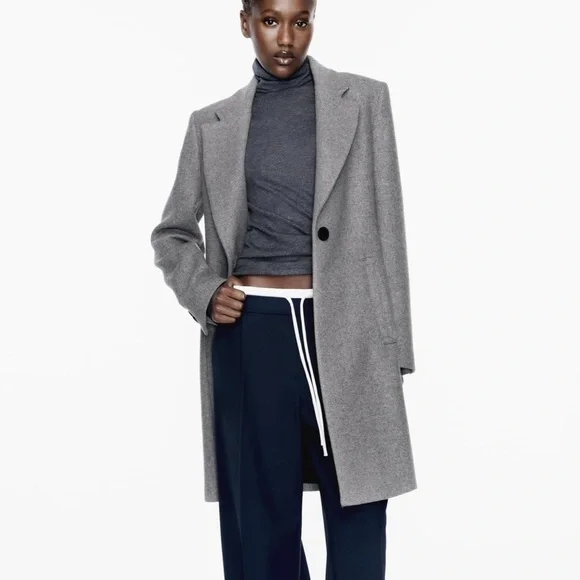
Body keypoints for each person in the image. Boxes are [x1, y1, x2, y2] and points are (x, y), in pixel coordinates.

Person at [150, 0, 417, 578]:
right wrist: (204, 292)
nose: (286, 38)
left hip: (347, 331)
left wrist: (395, 351)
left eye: (301, 21)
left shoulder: (364, 100)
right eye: (271, 21)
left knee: (360, 527)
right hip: (251, 333)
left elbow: (387, 224)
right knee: (261, 536)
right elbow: (172, 233)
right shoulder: (211, 124)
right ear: (245, 22)